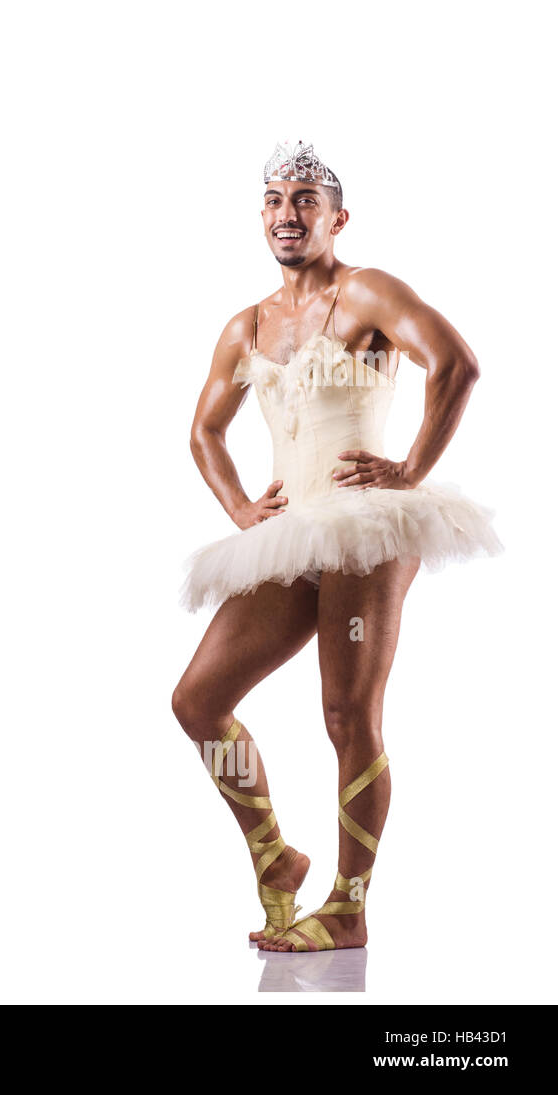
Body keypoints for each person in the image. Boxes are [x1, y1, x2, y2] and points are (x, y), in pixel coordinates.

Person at [171, 140, 501, 952]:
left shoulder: (367, 291)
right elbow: (204, 432)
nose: (289, 213)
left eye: (306, 200)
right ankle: (276, 854)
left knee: (348, 709)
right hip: (291, 533)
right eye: (276, 199)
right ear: (261, 216)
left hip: (369, 530)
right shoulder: (246, 324)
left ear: (336, 217)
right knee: (197, 701)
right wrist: (242, 505)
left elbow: (456, 364)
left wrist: (411, 468)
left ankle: (348, 904)